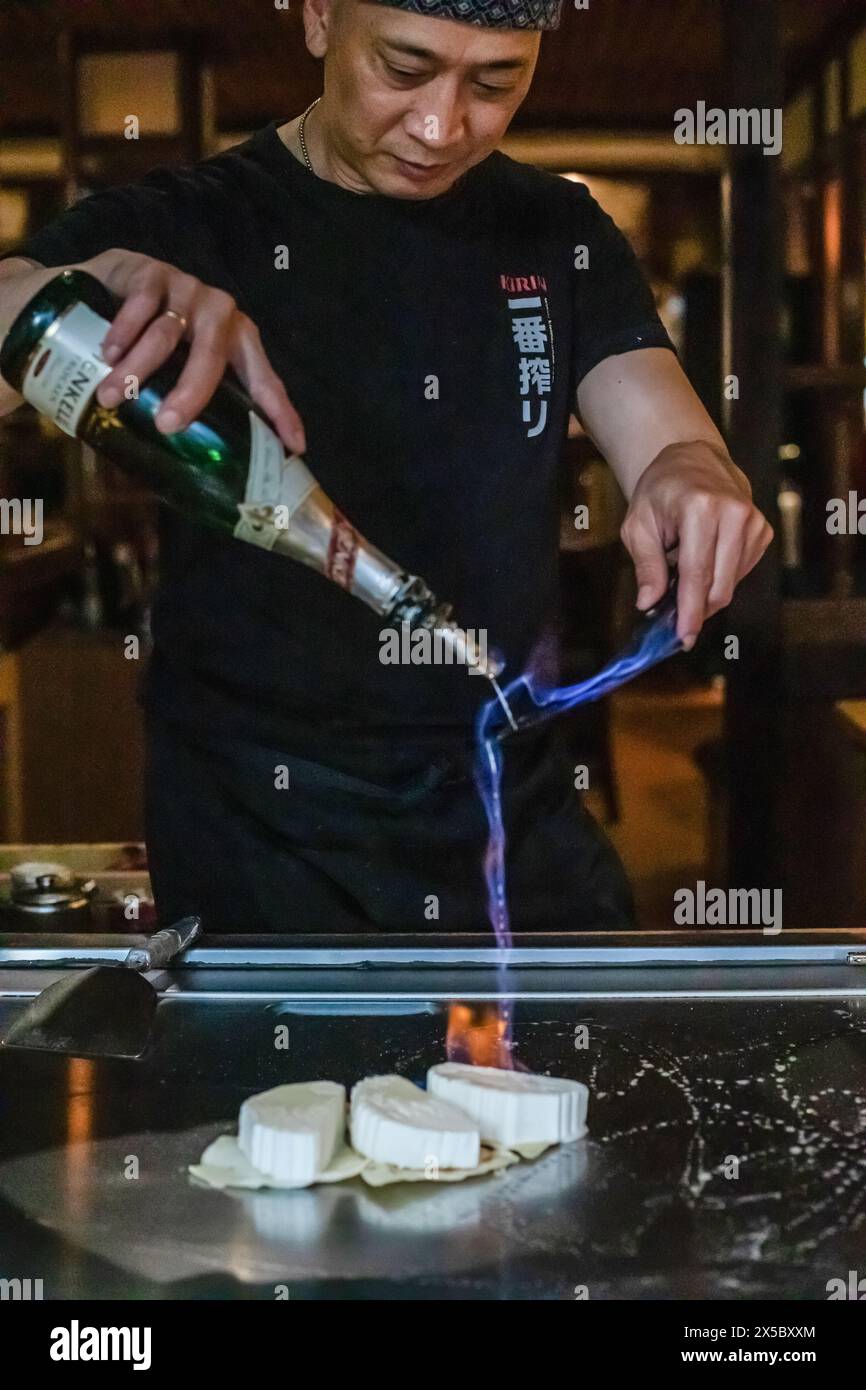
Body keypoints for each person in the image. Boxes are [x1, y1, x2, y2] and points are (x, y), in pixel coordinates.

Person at [0, 0, 772, 935]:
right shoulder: (193, 222)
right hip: (264, 820)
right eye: (404, 70)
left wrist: (691, 471)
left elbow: (667, 430)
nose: (443, 126)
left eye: (495, 82)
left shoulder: (555, 229)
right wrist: (73, 289)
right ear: (320, 18)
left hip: (503, 788)